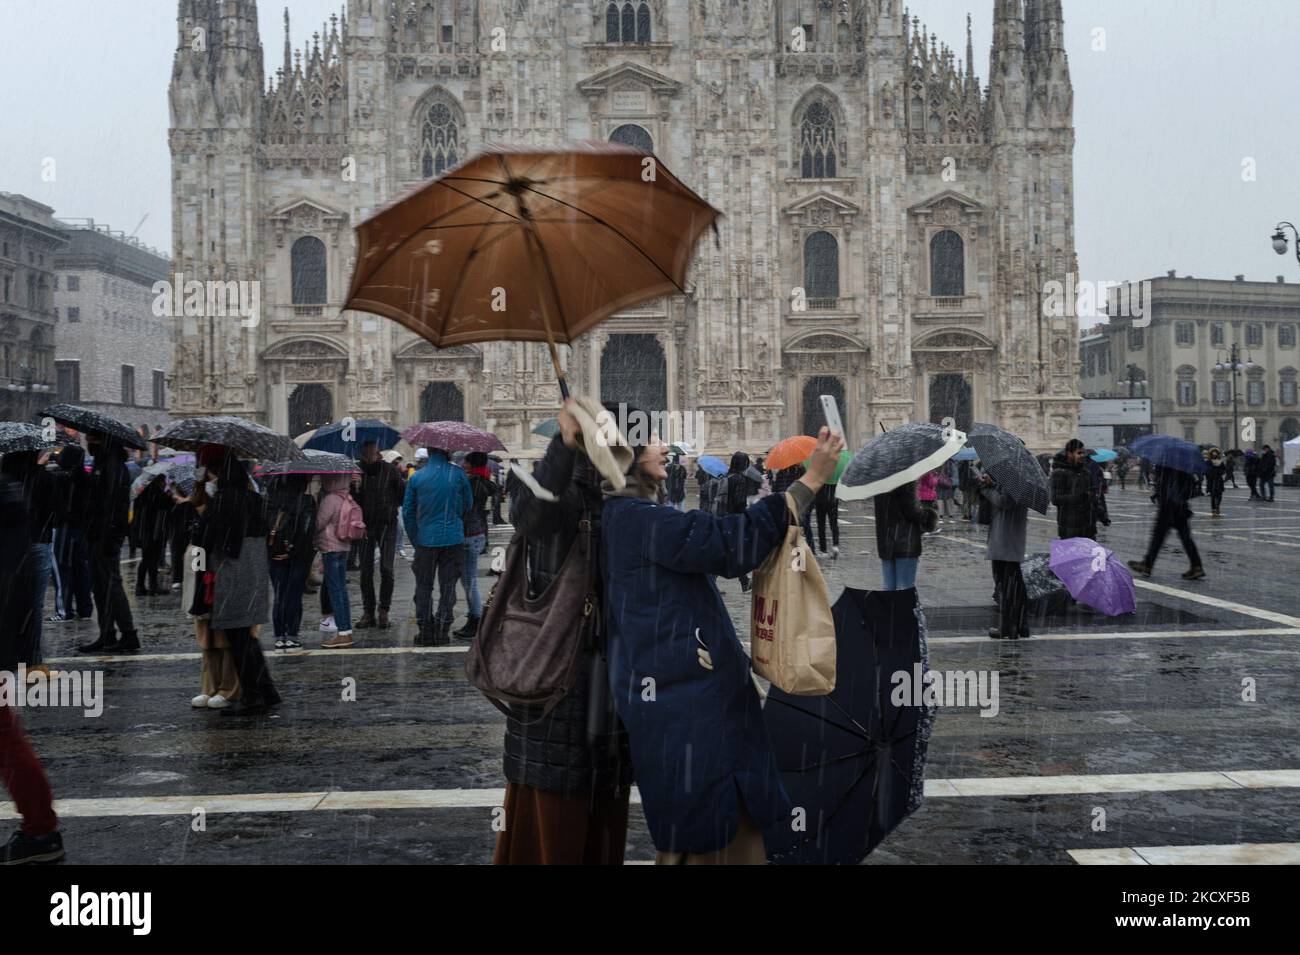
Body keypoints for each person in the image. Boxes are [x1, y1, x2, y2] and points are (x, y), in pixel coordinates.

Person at [602, 424, 845, 863]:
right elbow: (728, 545)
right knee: (711, 836)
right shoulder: (638, 519)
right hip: (691, 715)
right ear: (627, 453)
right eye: (652, 440)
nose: (664, 447)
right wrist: (809, 482)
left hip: (684, 713)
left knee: (703, 833)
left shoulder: (624, 516)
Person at [493, 403, 633, 865]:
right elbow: (532, 513)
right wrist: (564, 443)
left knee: (600, 793)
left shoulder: (613, 501)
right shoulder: (568, 495)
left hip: (602, 676)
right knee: (558, 801)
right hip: (559, 674)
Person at [0, 467, 64, 864]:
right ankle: (40, 829)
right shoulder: (10, 497)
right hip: (6, 633)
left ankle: (41, 830)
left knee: (5, 736)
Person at [199, 450, 279, 715]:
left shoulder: (222, 500)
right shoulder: (254, 498)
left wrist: (202, 511)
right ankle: (267, 690)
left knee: (238, 638)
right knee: (246, 636)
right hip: (254, 573)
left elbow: (204, 538)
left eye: (210, 472)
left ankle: (253, 696)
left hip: (232, 573)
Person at [77, 433, 140, 654]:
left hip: (106, 533)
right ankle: (108, 634)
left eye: (91, 437)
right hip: (98, 532)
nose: (87, 440)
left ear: (102, 440)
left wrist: (110, 533)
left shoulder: (112, 464)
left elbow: (112, 502)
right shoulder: (103, 462)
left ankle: (128, 634)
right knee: (100, 585)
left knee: (111, 584)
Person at [403, 446, 472, 646]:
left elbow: (408, 512)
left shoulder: (416, 477)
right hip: (453, 539)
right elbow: (468, 504)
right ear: (447, 452)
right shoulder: (458, 474)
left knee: (423, 587)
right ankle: (443, 628)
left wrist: (416, 538)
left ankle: (425, 630)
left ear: (429, 453)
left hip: (425, 541)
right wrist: (454, 520)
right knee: (448, 586)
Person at [181, 473, 239, 709]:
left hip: (219, 568)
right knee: (205, 633)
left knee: (224, 633)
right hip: (200, 568)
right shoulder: (195, 504)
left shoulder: (233, 501)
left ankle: (228, 688)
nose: (210, 480)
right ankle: (209, 686)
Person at [1, 450, 59, 672]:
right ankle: (32, 660)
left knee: (16, 607)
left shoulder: (8, 482)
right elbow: (56, 511)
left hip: (13, 554)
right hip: (37, 545)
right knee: (32, 606)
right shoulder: (43, 478)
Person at [355, 441, 404, 630]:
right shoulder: (356, 472)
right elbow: (352, 500)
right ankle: (368, 612)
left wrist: (389, 508)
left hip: (387, 524)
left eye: (372, 453)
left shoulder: (389, 471)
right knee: (365, 570)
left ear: (378, 454)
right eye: (365, 453)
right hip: (364, 526)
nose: (369, 457)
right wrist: (355, 487)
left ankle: (384, 610)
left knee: (387, 569)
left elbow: (401, 494)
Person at [266, 474, 317, 650]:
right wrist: (295, 552)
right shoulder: (306, 501)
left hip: (274, 555)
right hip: (298, 556)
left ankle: (279, 635)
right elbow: (307, 530)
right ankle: (292, 635)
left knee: (279, 595)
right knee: (294, 595)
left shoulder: (270, 501)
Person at [1129, 465, 1205, 581]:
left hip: (1168, 506)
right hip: (1180, 506)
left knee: (1158, 536)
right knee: (1185, 537)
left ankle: (1147, 565)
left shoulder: (1166, 465)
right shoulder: (1183, 466)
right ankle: (1196, 566)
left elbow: (1163, 484)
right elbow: (1191, 484)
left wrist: (1159, 487)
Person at [980, 474, 1030, 639]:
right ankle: (1021, 625)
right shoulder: (1019, 475)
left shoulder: (1013, 477)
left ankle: (1008, 628)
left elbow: (1005, 501)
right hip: (1010, 537)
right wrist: (994, 483)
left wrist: (987, 489)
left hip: (1005, 538)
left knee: (1005, 586)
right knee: (1015, 585)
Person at [454, 451, 498, 640]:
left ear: (472, 465)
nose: (463, 464)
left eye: (467, 462)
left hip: (468, 535)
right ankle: (474, 615)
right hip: (477, 533)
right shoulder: (485, 482)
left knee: (469, 581)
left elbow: (465, 507)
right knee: (467, 580)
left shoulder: (472, 484)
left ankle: (477, 618)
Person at [315, 473, 357, 648]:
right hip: (343, 548)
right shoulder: (347, 497)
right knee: (341, 589)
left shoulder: (330, 499)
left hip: (330, 549)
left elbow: (318, 523)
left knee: (335, 591)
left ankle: (343, 632)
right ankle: (346, 629)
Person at [873, 479, 938, 590]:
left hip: (885, 542)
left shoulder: (879, 481)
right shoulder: (906, 481)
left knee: (888, 587)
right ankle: (902, 608)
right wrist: (929, 516)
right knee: (904, 588)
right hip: (905, 541)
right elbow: (912, 511)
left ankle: (890, 608)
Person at [131, 474, 173, 596]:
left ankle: (143, 586)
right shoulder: (155, 492)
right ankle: (150, 586)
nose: (165, 481)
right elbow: (162, 506)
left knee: (147, 558)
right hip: (152, 531)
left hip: (145, 530)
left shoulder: (144, 490)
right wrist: (168, 496)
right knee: (151, 558)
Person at [1050, 439, 1096, 540]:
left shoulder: (1086, 473)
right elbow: (1055, 499)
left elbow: (1093, 496)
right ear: (1069, 454)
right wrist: (1080, 497)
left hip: (1088, 527)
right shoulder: (1059, 473)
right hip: (1069, 528)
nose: (1083, 455)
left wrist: (1101, 513)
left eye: (1083, 452)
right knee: (1073, 555)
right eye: (1079, 453)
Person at [812, 482, 841, 558]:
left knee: (821, 526)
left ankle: (823, 550)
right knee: (834, 524)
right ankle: (835, 545)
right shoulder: (836, 474)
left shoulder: (821, 474)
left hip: (820, 501)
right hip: (833, 500)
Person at [1206, 449, 1226, 518]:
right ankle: (1213, 510)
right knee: (1213, 495)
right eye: (1213, 453)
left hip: (1219, 480)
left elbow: (1224, 469)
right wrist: (1212, 471)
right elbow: (1207, 471)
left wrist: (1220, 471)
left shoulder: (1221, 462)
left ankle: (1217, 506)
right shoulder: (1209, 462)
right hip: (1212, 480)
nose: (1214, 454)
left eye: (1216, 453)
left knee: (1219, 495)